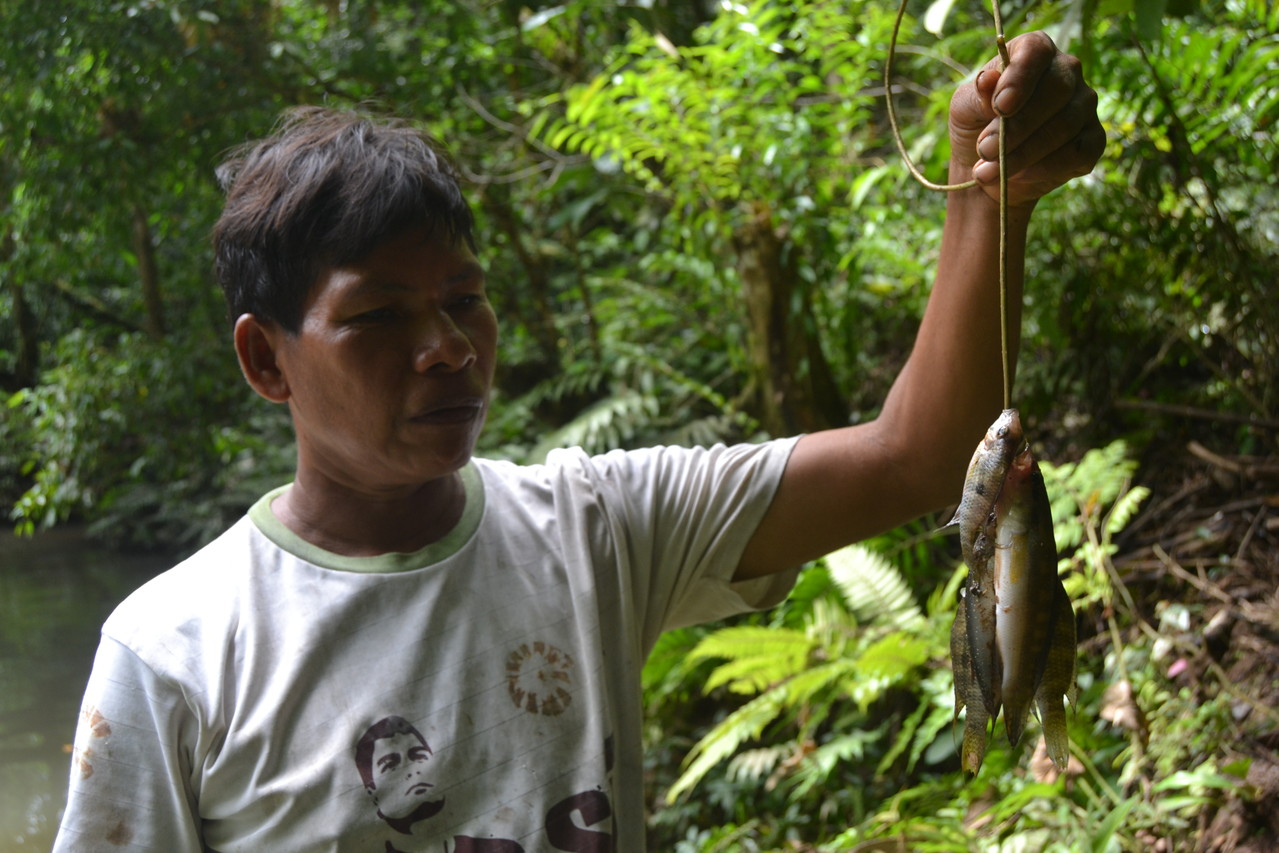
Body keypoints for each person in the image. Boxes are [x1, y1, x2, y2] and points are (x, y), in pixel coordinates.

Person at [52, 31, 1103, 852]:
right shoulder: (173, 652)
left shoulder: (595, 527)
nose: (448, 347)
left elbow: (914, 456)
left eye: (465, 299)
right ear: (266, 361)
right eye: (378, 318)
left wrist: (987, 192)